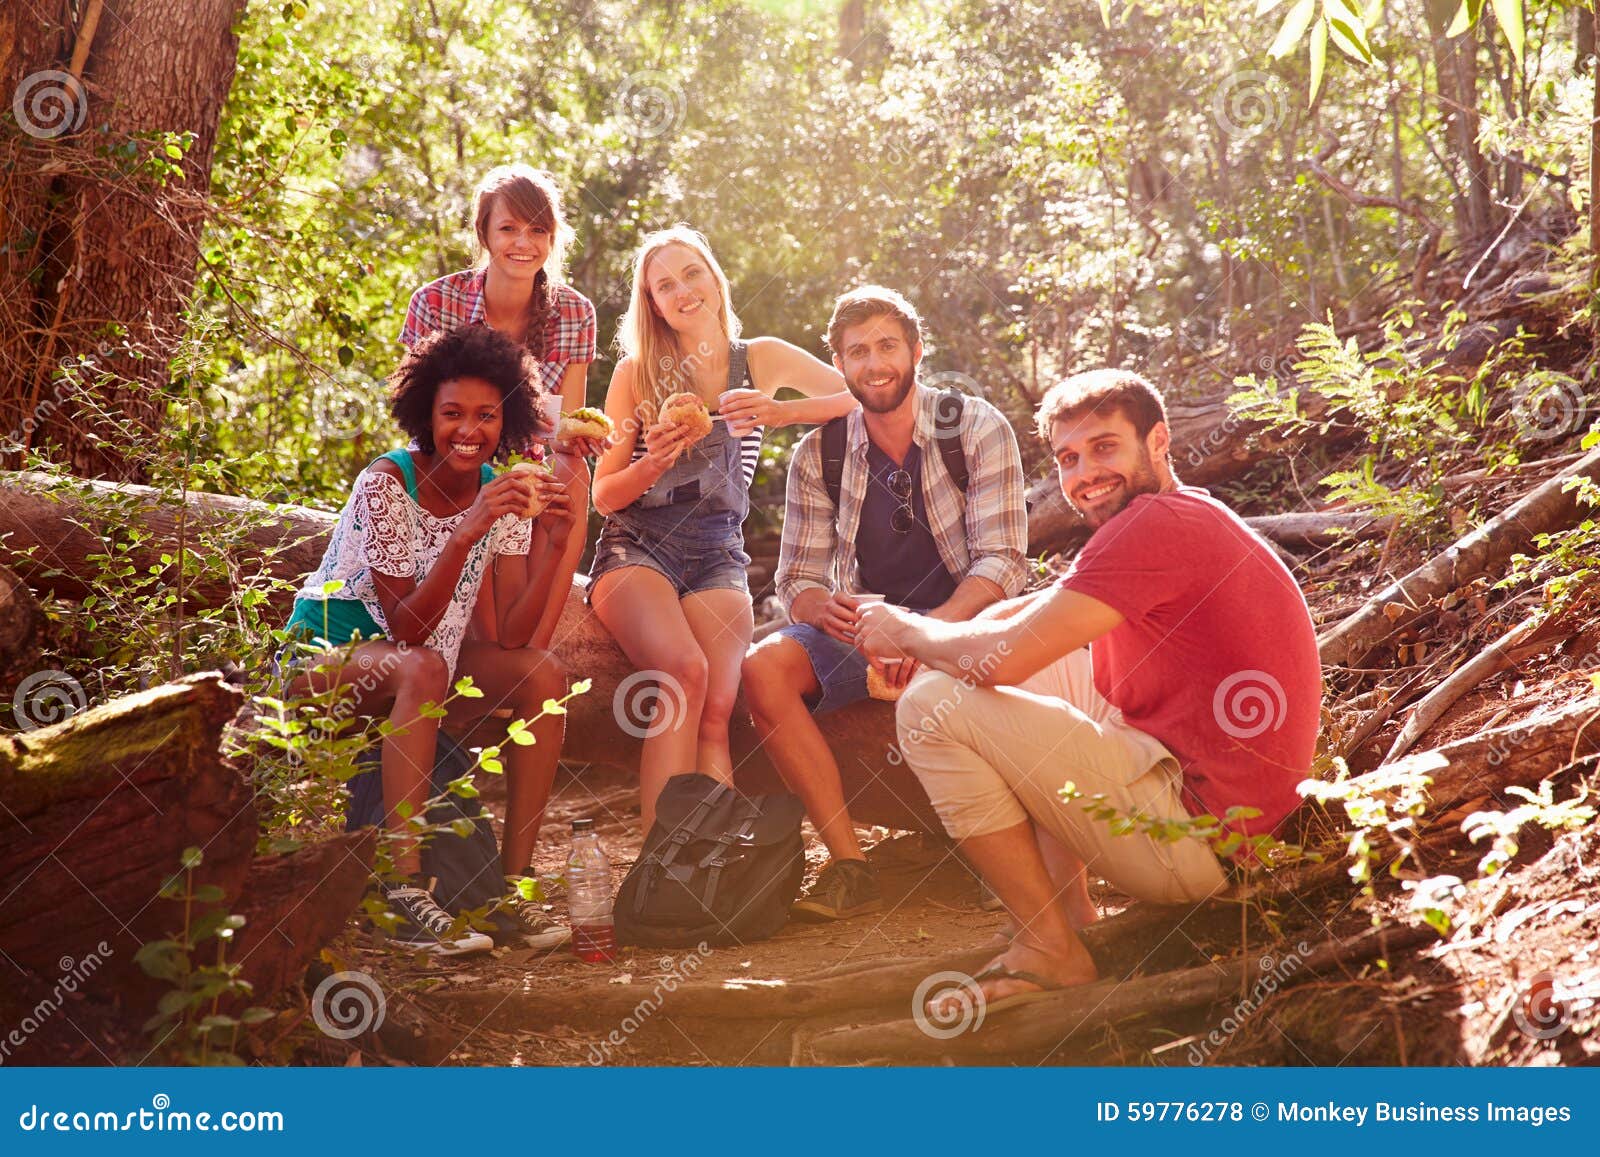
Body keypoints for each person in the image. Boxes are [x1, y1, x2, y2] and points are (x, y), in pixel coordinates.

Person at [856, 368, 1322, 1013]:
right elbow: (1025, 616)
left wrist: (905, 631)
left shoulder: (1154, 525)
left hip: (1199, 839)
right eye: (1069, 458)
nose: (1084, 474)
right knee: (1005, 667)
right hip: (1218, 811)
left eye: (1106, 447)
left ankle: (1050, 947)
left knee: (933, 708)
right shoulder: (1178, 516)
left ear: (1158, 441)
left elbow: (1001, 662)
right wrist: (936, 639)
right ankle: (1071, 911)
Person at [284, 326, 577, 955]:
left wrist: (554, 542)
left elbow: (510, 634)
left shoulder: (504, 489)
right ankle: (403, 888)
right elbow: (408, 628)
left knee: (542, 675)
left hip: (425, 668)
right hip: (329, 659)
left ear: (509, 419)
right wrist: (471, 527)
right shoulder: (386, 483)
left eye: (486, 416)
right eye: (452, 414)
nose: (468, 431)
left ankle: (507, 889)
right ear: (425, 413)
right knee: (419, 665)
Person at [741, 286, 1028, 921]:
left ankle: (1010, 854)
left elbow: (1004, 561)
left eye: (888, 346)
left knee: (1007, 671)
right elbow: (796, 580)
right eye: (859, 351)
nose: (876, 364)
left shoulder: (975, 426)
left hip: (965, 619)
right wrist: (822, 611)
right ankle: (850, 865)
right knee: (763, 669)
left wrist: (929, 636)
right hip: (868, 630)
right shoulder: (821, 451)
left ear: (917, 351)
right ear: (839, 367)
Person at [588, 225, 857, 831]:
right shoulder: (636, 375)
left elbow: (860, 395)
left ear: (715, 279)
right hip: (639, 548)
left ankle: (708, 869)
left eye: (692, 275)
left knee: (716, 710)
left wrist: (779, 411)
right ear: (651, 303)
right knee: (684, 676)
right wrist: (651, 461)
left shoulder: (759, 359)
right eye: (665, 285)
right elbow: (603, 496)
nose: (683, 292)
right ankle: (664, 863)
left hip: (717, 553)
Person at [401, 164, 603, 649]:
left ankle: (532, 647)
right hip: (454, 454)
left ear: (553, 238)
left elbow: (565, 429)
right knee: (479, 472)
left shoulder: (575, 312)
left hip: (531, 460)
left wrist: (582, 434)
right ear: (485, 233)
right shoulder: (435, 302)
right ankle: (488, 652)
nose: (523, 242)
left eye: (537, 229)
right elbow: (419, 416)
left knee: (574, 472)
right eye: (508, 228)